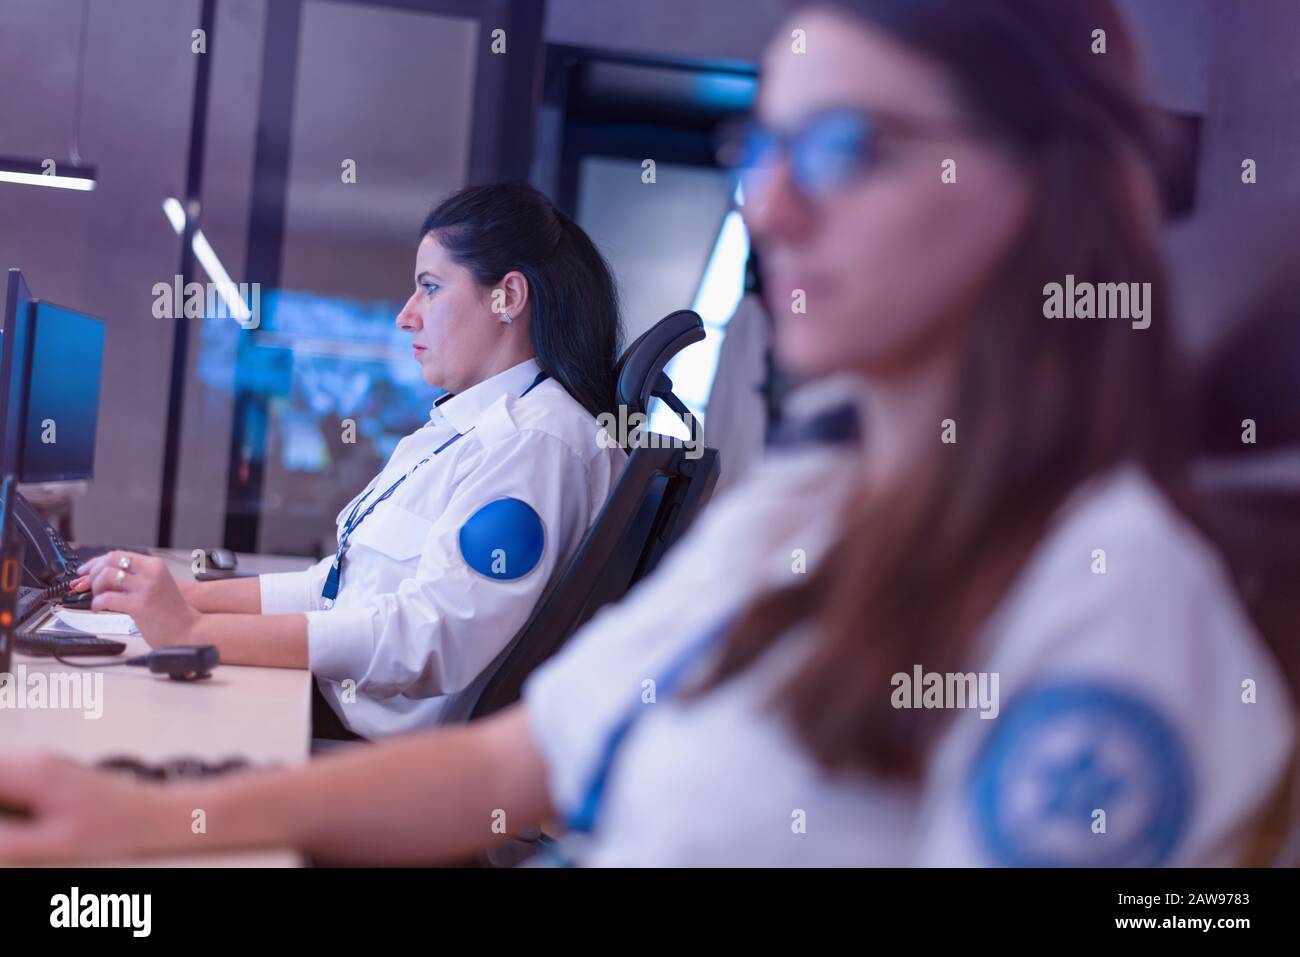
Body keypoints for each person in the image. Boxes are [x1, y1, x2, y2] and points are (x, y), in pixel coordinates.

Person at [0, 0, 1293, 866]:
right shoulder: (804, 517)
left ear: (1035, 182)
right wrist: (160, 816)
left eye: (843, 146)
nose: (773, 203)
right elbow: (519, 755)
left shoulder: (1115, 610)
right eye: (763, 146)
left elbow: (433, 652)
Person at [70, 183, 625, 739]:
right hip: (329, 702)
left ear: (507, 296)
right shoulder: (464, 429)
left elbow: (426, 637)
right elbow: (334, 586)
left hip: (364, 742)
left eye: (430, 288)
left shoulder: (536, 443)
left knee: (107, 722)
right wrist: (184, 597)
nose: (406, 316)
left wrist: (191, 629)